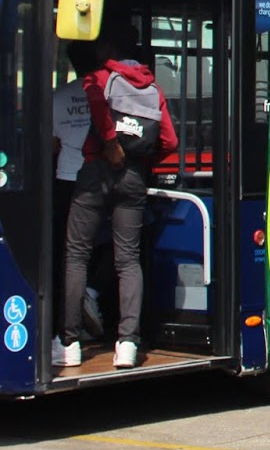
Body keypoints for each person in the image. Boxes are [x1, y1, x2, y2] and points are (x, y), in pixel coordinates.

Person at [52, 24, 176, 370]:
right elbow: (170, 141)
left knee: (76, 253)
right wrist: (141, 158)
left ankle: (70, 342)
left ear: (107, 50)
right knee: (128, 260)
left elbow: (94, 100)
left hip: (95, 172)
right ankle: (127, 344)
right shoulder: (152, 87)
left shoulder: (99, 78)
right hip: (134, 177)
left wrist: (109, 141)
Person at [50, 41, 100, 339]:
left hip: (65, 179)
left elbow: (53, 144)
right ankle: (90, 293)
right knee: (102, 246)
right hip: (97, 178)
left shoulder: (58, 97)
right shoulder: (103, 92)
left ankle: (67, 325)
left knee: (69, 251)